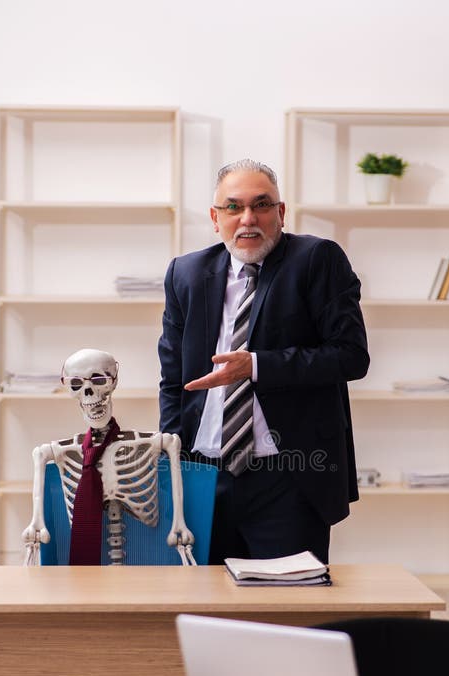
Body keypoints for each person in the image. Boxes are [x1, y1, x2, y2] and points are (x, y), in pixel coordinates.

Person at [158, 159, 369, 565]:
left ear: (281, 212)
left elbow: (351, 356)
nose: (248, 219)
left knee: (288, 610)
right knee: (206, 607)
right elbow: (172, 379)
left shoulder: (316, 259)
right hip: (202, 474)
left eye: (262, 205)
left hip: (287, 477)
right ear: (215, 217)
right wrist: (173, 463)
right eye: (233, 207)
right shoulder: (185, 273)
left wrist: (255, 365)